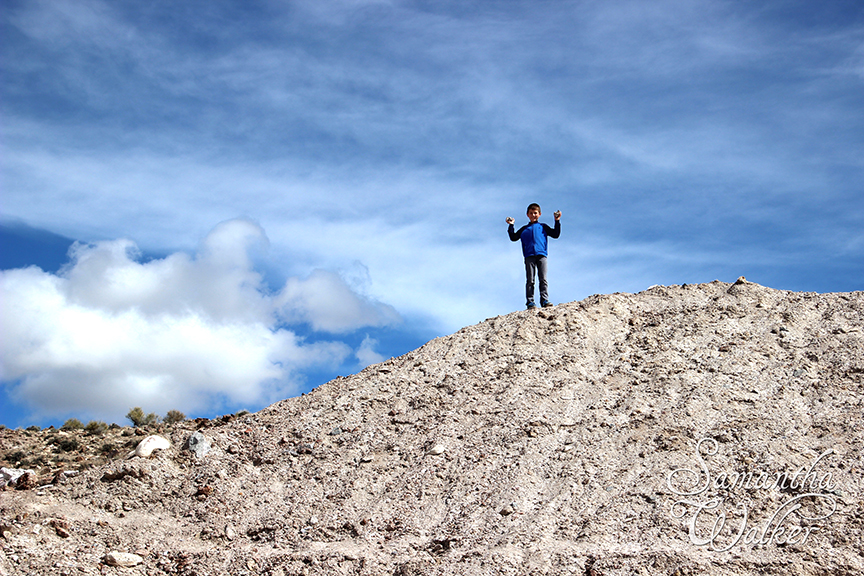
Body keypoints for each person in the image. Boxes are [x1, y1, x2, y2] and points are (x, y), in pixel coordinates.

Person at [506, 203, 561, 309]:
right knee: (530, 280)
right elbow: (513, 237)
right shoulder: (524, 229)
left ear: (539, 214)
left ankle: (544, 300)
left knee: (543, 279)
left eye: (535, 213)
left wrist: (557, 221)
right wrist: (511, 225)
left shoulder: (543, 227)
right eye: (531, 213)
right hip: (529, 256)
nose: (533, 215)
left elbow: (555, 234)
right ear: (527, 215)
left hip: (542, 255)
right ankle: (530, 302)